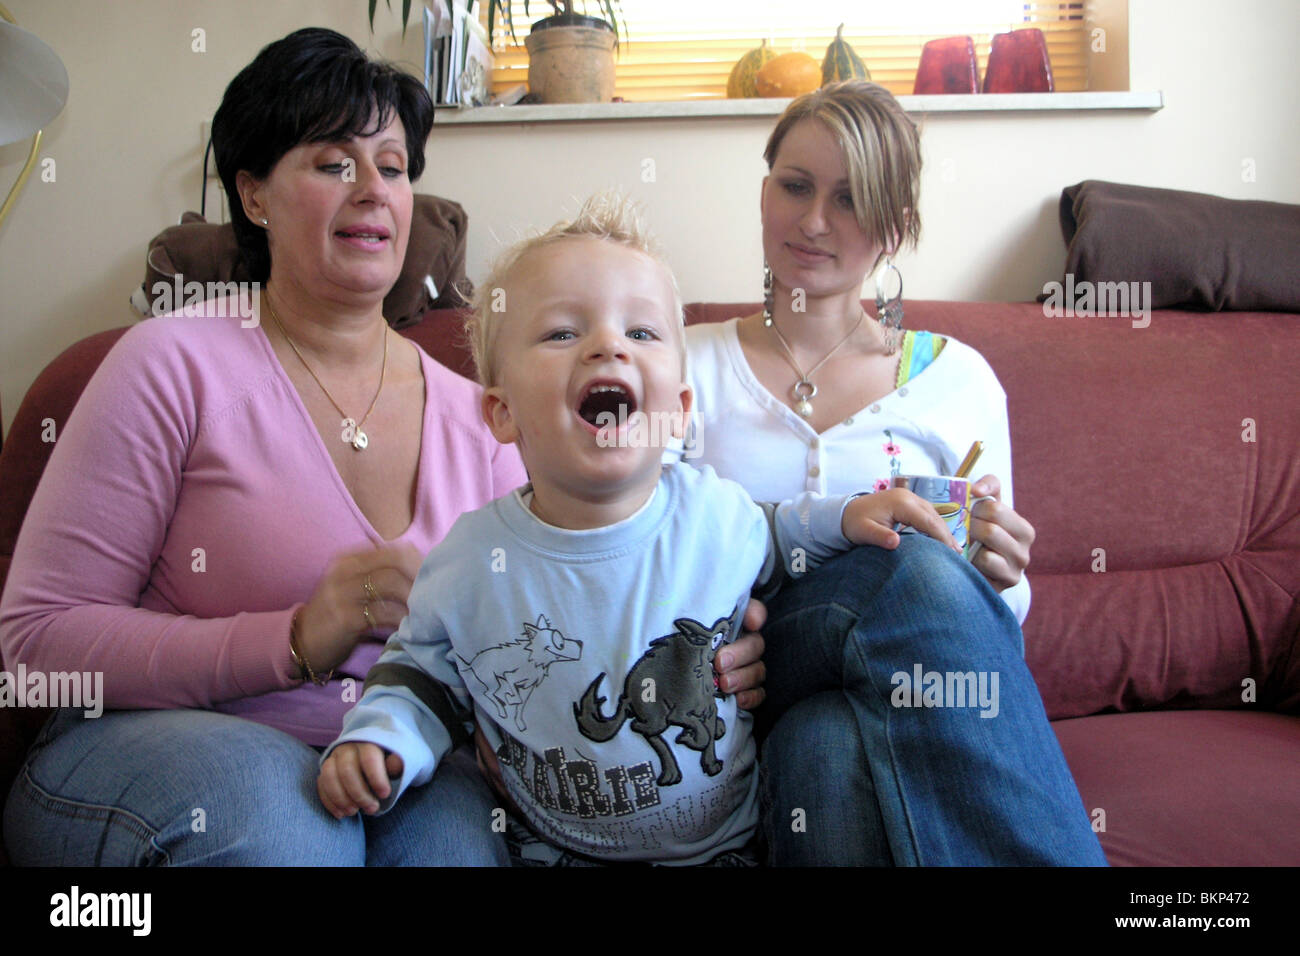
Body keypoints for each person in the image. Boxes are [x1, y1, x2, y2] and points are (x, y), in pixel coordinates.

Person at [0, 27, 535, 865]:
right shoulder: (169, 364)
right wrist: (290, 640)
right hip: (152, 748)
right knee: (288, 834)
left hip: (395, 756)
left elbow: (534, 626)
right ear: (253, 196)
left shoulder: (482, 414)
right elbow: (36, 649)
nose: (373, 190)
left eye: (392, 168)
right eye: (333, 163)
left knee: (460, 852)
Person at [315, 192, 961, 865]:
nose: (607, 348)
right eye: (563, 333)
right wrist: (380, 738)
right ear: (503, 414)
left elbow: (786, 534)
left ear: (679, 412)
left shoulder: (714, 513)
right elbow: (419, 673)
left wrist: (851, 512)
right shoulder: (474, 558)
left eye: (641, 333)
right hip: (557, 857)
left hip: (728, 853)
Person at [682, 80, 1108, 865]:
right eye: (796, 186)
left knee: (828, 749)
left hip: (877, 695)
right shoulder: (681, 364)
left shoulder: (958, 379)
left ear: (896, 225)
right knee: (912, 569)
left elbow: (995, 623)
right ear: (765, 188)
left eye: (849, 200)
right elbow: (635, 540)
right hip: (740, 676)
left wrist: (994, 569)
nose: (813, 221)